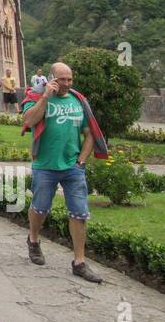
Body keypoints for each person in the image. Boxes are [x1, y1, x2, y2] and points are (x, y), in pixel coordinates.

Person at [21, 61, 110, 283]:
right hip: (45, 165)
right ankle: (33, 239)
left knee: (79, 212)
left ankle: (79, 262)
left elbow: (89, 132)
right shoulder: (35, 98)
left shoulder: (78, 101)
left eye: (70, 79)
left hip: (72, 167)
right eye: (62, 79)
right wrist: (45, 98)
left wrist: (81, 161)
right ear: (52, 79)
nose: (67, 84)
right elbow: (29, 121)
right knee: (40, 208)